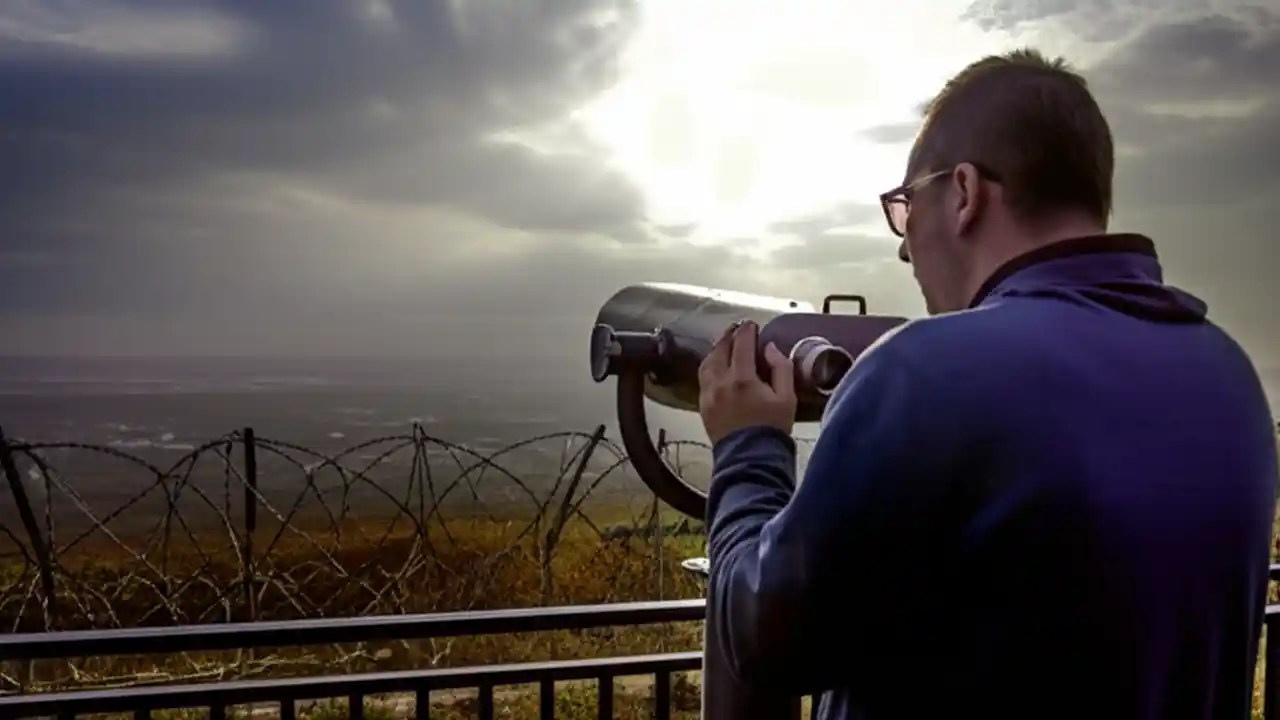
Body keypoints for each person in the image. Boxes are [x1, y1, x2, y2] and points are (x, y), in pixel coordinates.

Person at [696, 48, 1279, 719]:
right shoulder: (1228, 377)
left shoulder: (927, 372)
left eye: (906, 206)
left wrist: (747, 447)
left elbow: (765, 639)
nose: (905, 248)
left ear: (965, 193)